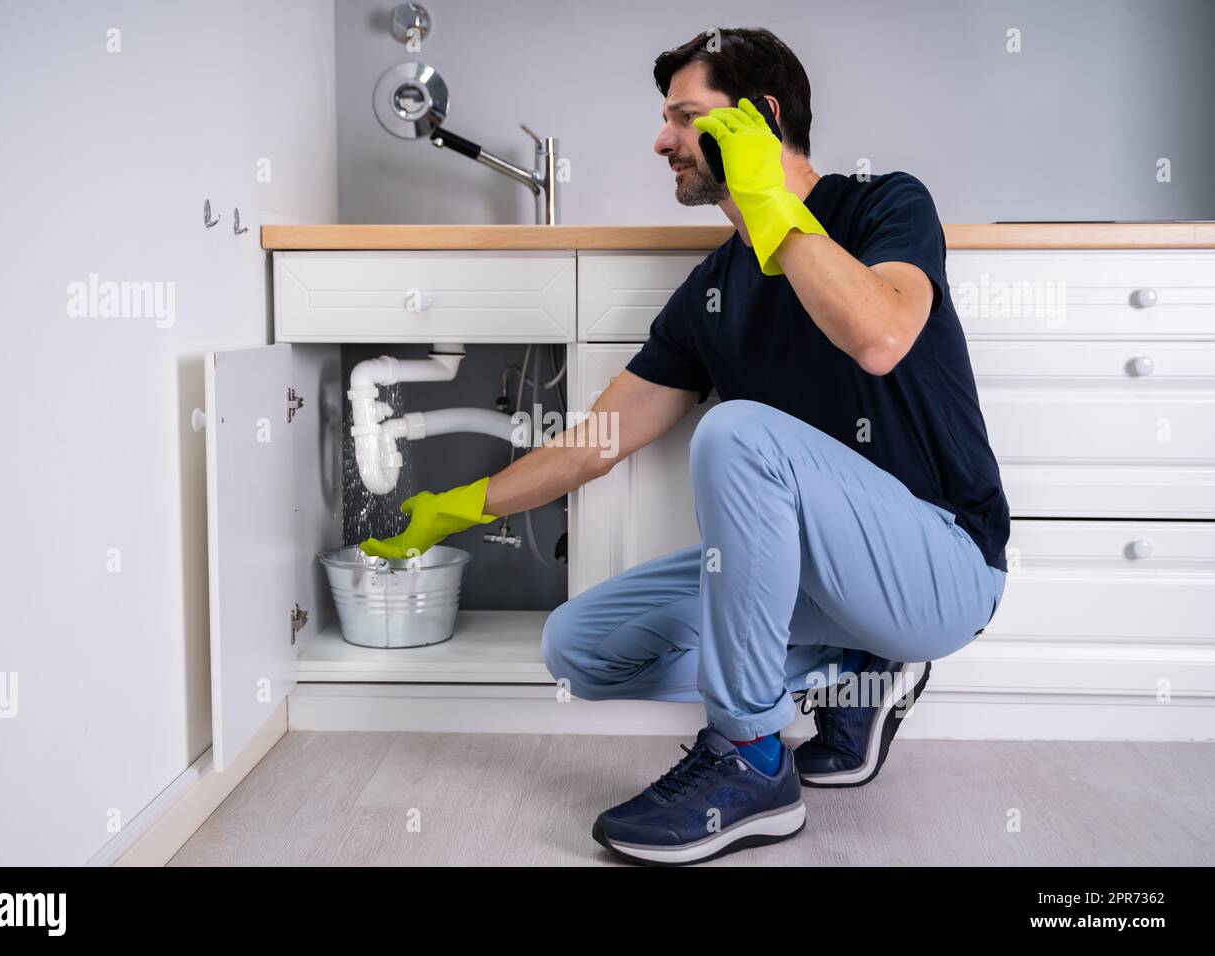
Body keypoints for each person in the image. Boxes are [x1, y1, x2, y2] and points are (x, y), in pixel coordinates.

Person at [359, 26, 1010, 866]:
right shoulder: (713, 292)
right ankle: (861, 670)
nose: (662, 140)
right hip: (827, 586)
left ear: (760, 118)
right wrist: (457, 506)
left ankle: (750, 759)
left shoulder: (881, 205)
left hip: (943, 564)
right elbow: (598, 441)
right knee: (577, 647)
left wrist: (773, 204)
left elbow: (880, 335)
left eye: (685, 117)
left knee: (738, 432)